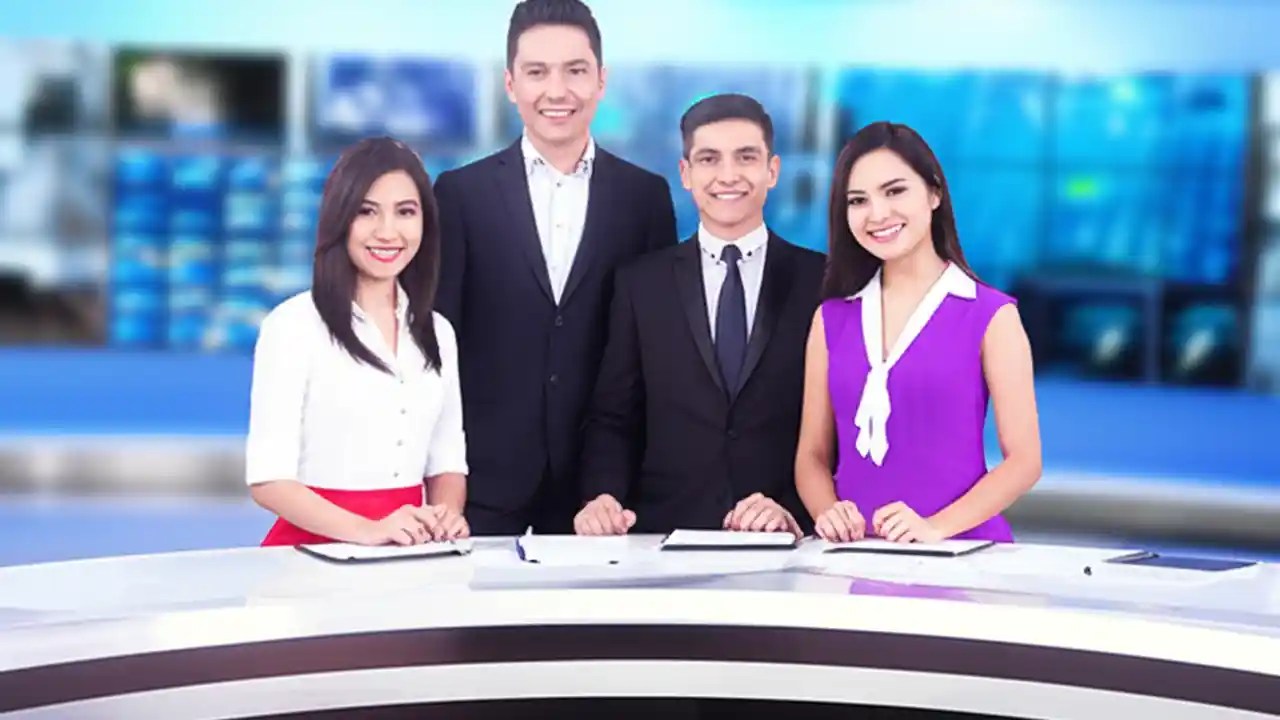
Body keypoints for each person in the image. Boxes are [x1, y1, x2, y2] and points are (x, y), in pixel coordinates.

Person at [433, 0, 678, 536]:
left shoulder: (645, 198)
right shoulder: (460, 196)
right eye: (536, 72)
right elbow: (438, 346)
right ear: (510, 83)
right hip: (484, 487)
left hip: (605, 495)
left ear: (601, 79)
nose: (557, 90)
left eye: (575, 70)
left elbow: (658, 352)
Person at [575, 93, 825, 536]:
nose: (727, 176)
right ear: (686, 174)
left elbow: (836, 421)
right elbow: (614, 415)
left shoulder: (820, 281)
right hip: (665, 537)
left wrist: (792, 510)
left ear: (772, 170)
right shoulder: (641, 284)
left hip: (783, 534)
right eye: (709, 159)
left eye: (745, 157)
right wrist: (604, 496)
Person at [795, 121, 1042, 544]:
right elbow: (812, 456)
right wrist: (828, 513)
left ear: (934, 193)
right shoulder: (831, 320)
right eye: (858, 200)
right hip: (853, 561)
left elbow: (1024, 461)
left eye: (894, 192)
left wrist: (934, 528)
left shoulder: (990, 315)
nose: (877, 214)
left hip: (960, 554)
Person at [245, 137, 470, 546]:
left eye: (405, 212)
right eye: (367, 212)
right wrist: (370, 531)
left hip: (409, 554)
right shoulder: (293, 325)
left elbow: (448, 460)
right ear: (340, 218)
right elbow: (268, 480)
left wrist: (446, 516)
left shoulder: (439, 332)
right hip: (311, 555)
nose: (388, 232)